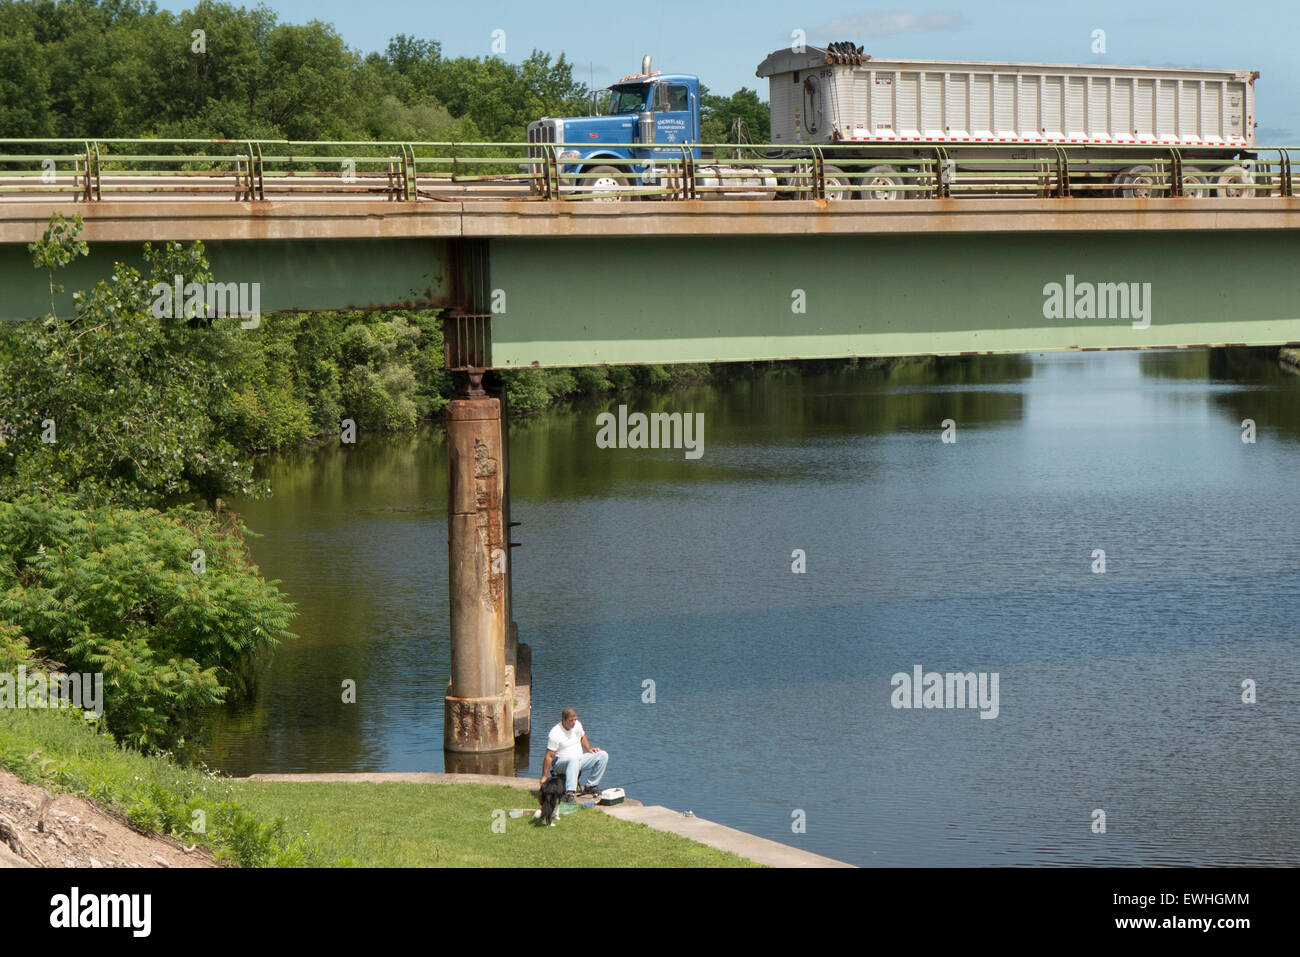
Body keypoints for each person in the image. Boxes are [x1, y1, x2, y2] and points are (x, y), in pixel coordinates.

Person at [539, 706, 608, 802]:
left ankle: (591, 785)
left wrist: (589, 749)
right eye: (571, 720)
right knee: (573, 759)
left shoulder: (577, 725)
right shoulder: (555, 733)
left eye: (575, 719)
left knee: (602, 755)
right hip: (560, 763)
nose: (573, 722)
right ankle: (570, 793)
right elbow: (549, 756)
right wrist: (544, 776)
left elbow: (582, 737)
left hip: (578, 760)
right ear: (563, 719)